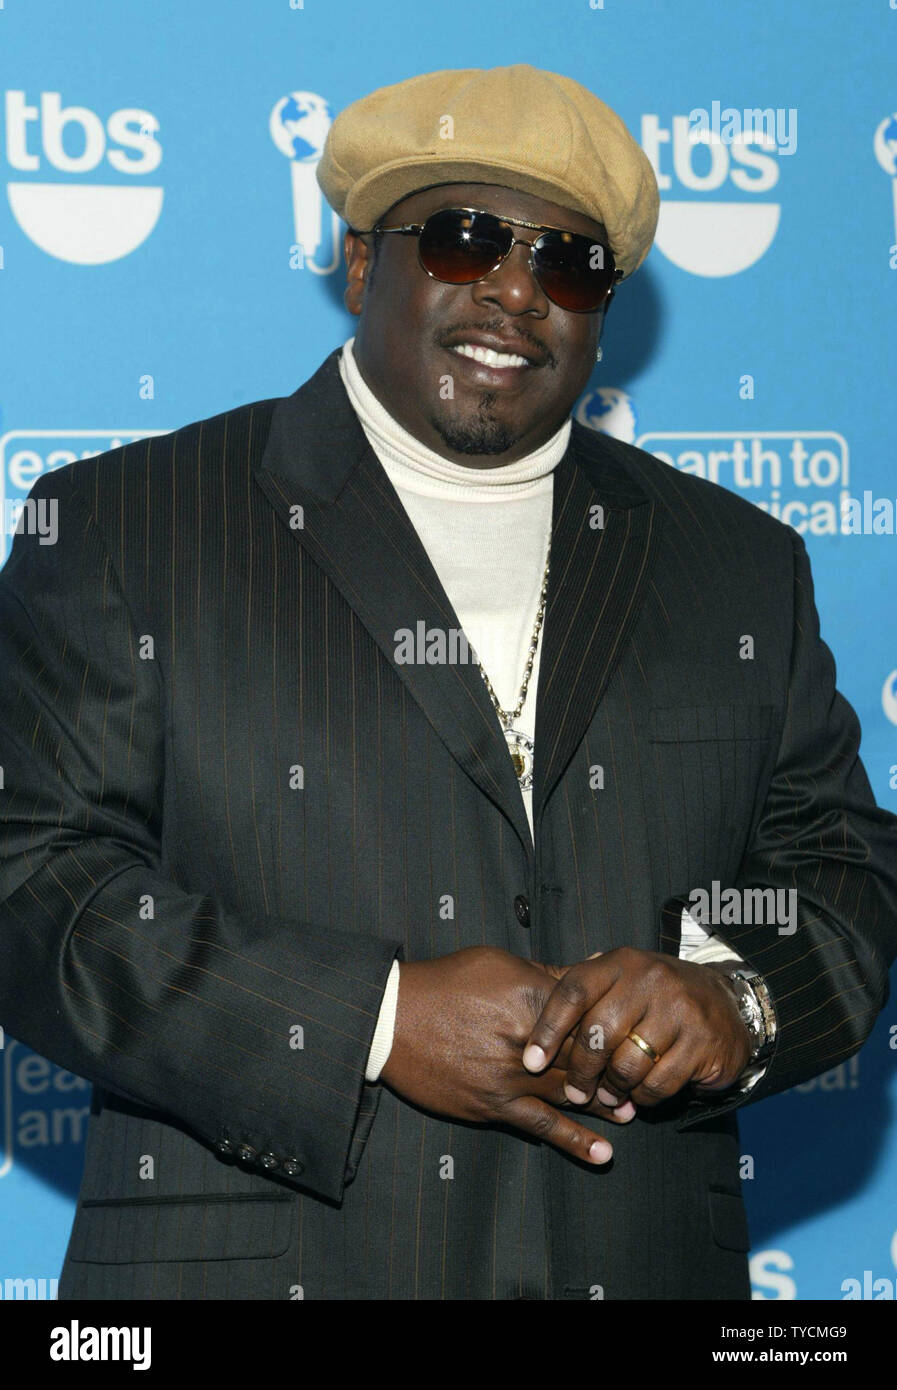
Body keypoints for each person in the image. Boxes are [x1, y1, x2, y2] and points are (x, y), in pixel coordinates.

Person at [0, 63, 895, 1302]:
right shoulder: (130, 525)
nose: (518, 291)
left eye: (572, 264)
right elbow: (32, 885)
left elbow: (840, 874)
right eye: (468, 237)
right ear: (365, 264)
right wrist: (374, 1017)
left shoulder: (739, 566)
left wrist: (728, 990)